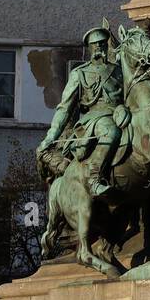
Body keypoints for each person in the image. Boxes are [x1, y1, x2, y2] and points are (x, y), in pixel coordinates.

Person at [36, 22, 128, 197]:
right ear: (89, 48)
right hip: (94, 118)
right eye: (95, 44)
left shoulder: (118, 71)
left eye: (102, 43)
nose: (100, 46)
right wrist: (50, 138)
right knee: (111, 132)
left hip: (120, 113)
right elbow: (64, 108)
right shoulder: (80, 73)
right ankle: (94, 179)